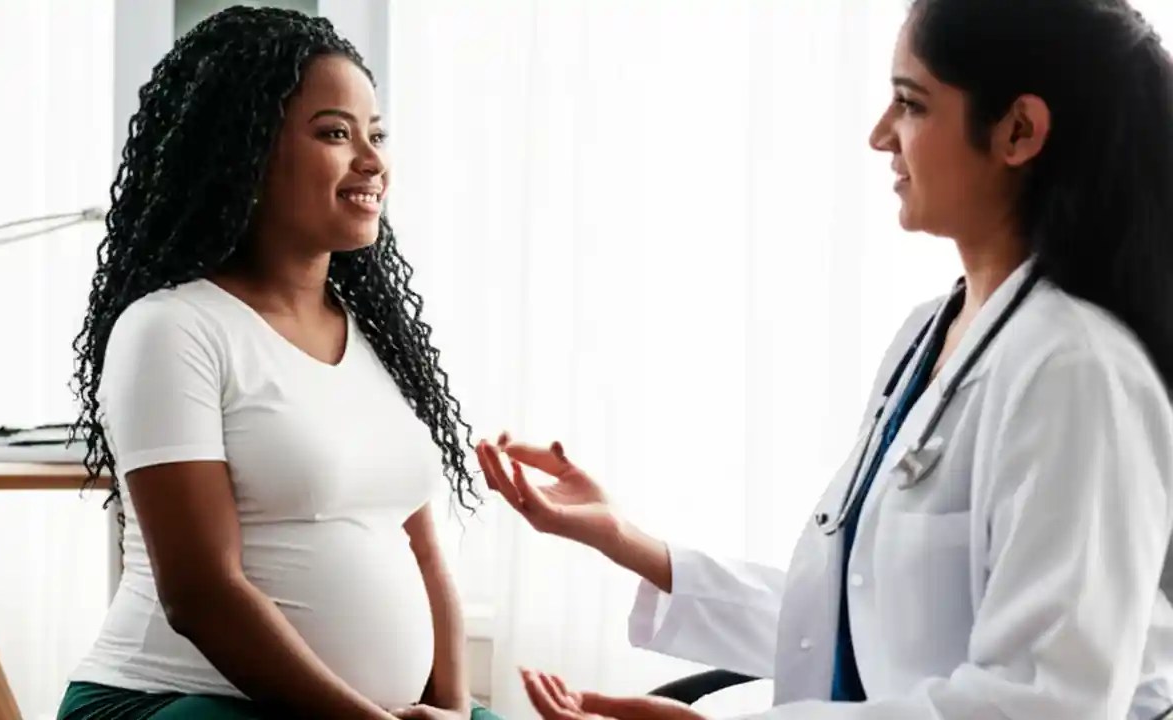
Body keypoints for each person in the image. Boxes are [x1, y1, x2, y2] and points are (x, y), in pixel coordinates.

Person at [479, 0, 1173, 718]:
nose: (880, 135)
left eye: (911, 103)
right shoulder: (930, 333)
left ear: (1019, 130)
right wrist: (626, 540)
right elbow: (852, 621)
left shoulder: (1077, 373)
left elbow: (1045, 705)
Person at [60, 8, 499, 720]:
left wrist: (453, 711)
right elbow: (201, 593)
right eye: (335, 133)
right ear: (245, 152)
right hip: (176, 701)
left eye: (377, 134)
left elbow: (422, 549)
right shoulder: (172, 329)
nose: (372, 160)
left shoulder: (378, 338)